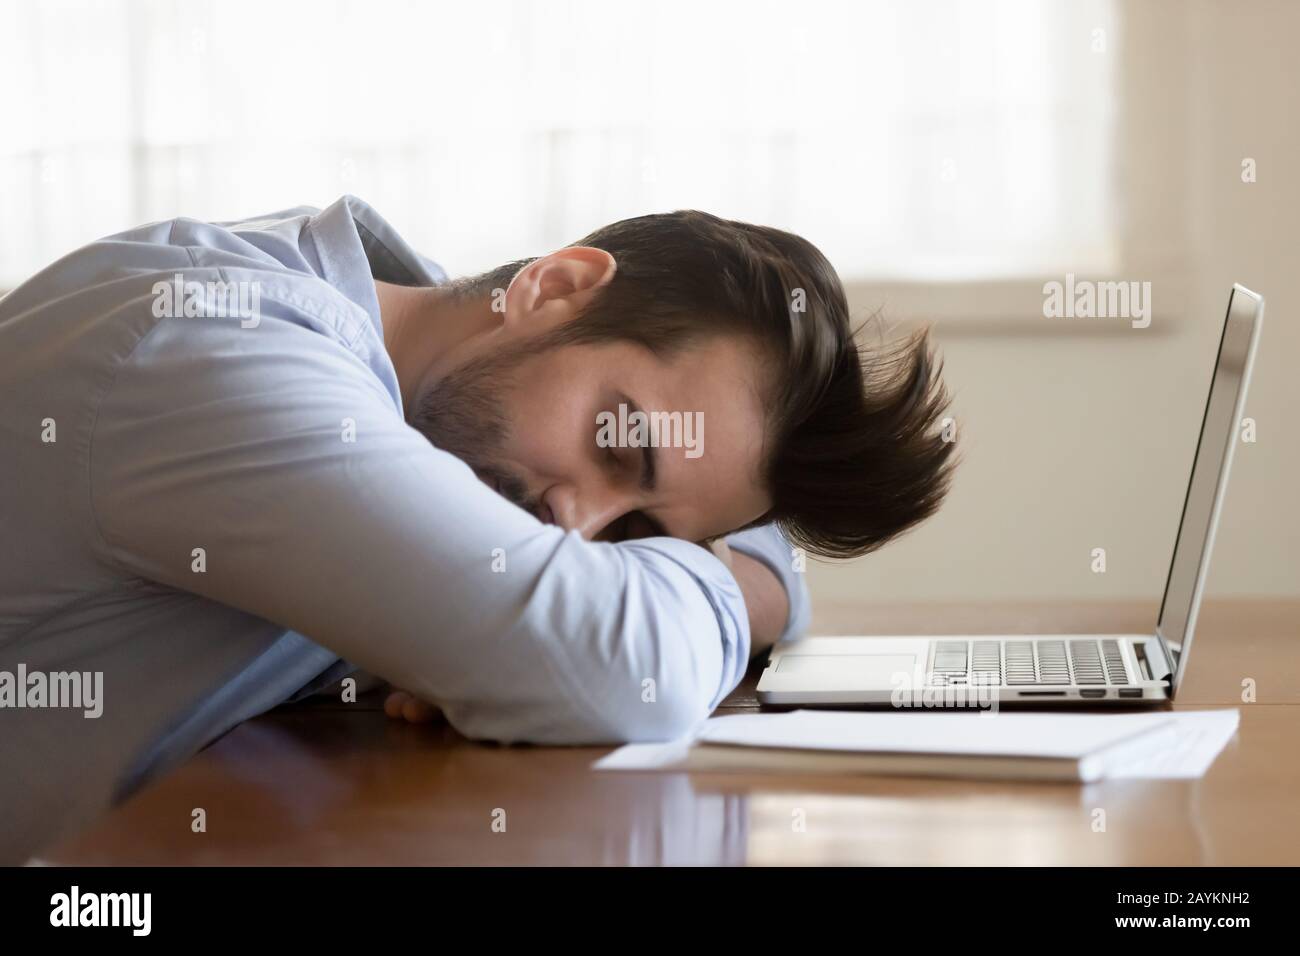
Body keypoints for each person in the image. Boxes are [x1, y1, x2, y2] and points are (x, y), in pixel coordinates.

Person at [0, 195, 956, 862]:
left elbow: (756, 556)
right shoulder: (224, 352)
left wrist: (738, 576)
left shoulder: (425, 360)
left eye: (637, 531)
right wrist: (720, 596)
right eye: (618, 446)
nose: (575, 525)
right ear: (555, 288)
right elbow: (604, 658)